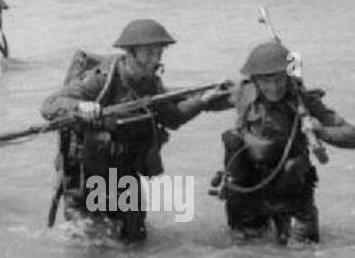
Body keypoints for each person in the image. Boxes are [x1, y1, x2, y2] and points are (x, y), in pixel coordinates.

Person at [40, 19, 231, 242]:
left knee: (134, 240)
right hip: (88, 175)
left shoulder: (149, 83)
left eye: (159, 53)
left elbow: (173, 118)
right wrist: (81, 107)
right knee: (89, 243)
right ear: (130, 52)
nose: (155, 59)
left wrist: (202, 101)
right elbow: (50, 104)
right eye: (149, 53)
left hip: (124, 174)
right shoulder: (101, 79)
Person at [210, 41, 355, 243]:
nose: (274, 88)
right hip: (249, 190)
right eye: (266, 80)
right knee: (245, 257)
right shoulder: (242, 94)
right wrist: (201, 98)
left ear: (288, 76)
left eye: (279, 79)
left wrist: (322, 131)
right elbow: (199, 103)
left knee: (303, 255)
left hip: (293, 192)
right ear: (254, 79)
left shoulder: (304, 101)